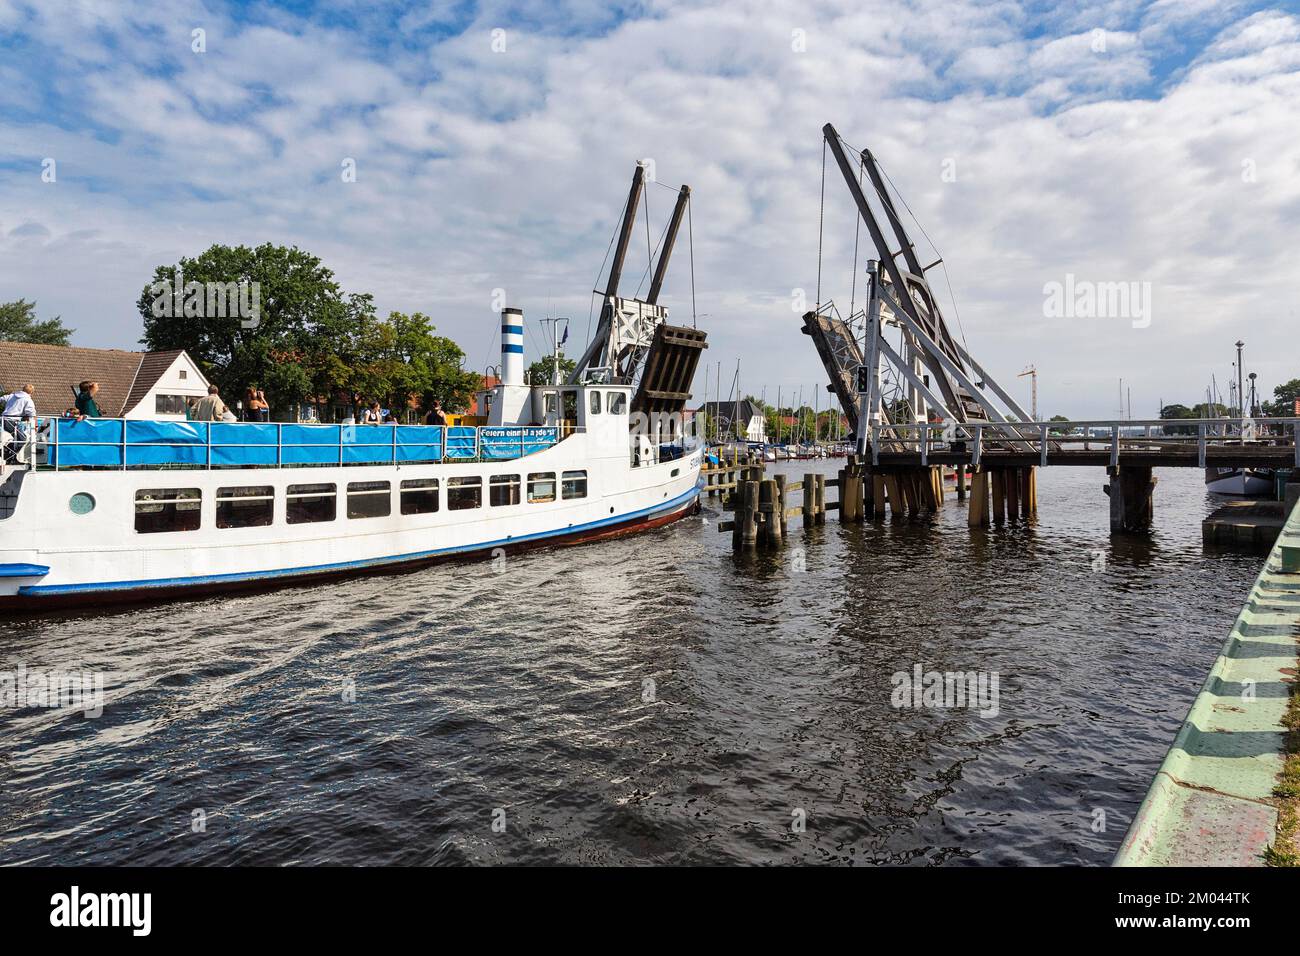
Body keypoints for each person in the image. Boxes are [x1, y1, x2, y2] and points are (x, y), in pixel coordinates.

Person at [1, 383, 37, 461]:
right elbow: (32, 413)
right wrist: (34, 425)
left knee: (16, 438)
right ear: (31, 392)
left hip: (4, 420)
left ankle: (8, 452)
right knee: (22, 439)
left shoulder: (12, 396)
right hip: (12, 421)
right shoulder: (28, 399)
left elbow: (2, 399)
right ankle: (10, 456)